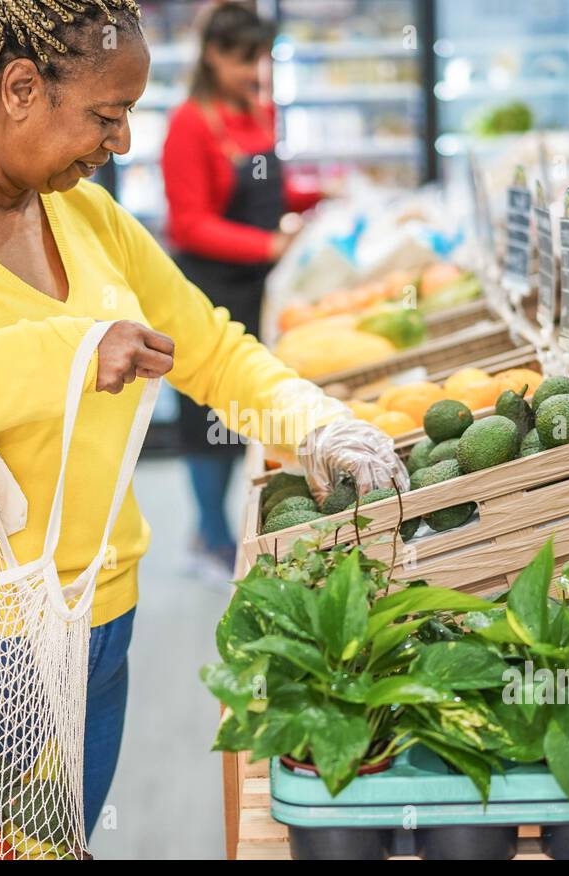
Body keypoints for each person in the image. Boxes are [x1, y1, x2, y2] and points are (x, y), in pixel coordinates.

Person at [0, 0, 403, 859]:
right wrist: (58, 354)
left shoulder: (86, 216)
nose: (124, 142)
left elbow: (209, 348)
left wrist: (321, 424)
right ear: (22, 87)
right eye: (108, 115)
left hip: (92, 630)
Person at [162, 2, 321, 579]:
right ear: (212, 55)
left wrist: (314, 199)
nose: (255, 69)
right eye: (242, 58)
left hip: (256, 287)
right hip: (208, 286)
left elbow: (268, 194)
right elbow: (189, 223)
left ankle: (225, 525)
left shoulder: (256, 110)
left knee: (245, 407)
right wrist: (266, 247)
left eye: (260, 57)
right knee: (209, 413)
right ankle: (208, 535)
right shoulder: (189, 123)